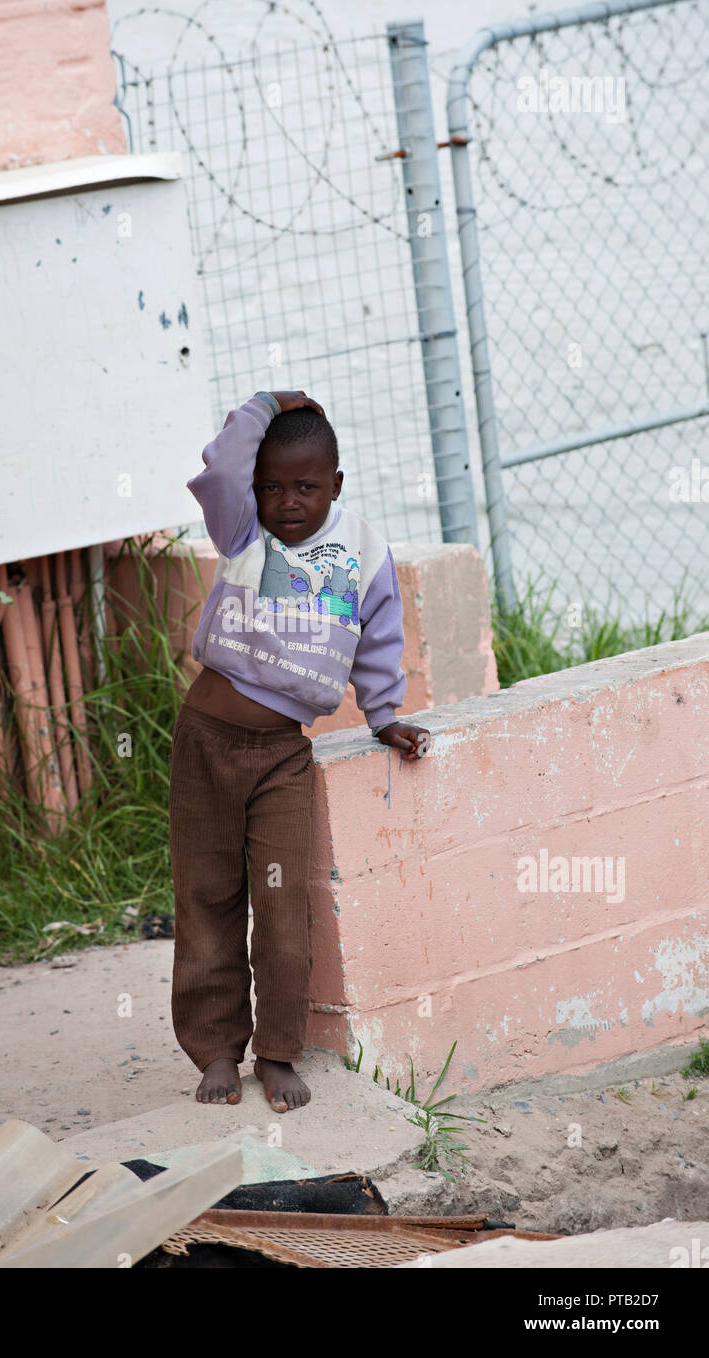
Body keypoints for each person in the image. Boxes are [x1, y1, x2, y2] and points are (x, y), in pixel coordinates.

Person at [169, 390, 431, 1112]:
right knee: (206, 899)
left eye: (306, 486)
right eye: (272, 486)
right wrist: (268, 403)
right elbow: (221, 468)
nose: (288, 502)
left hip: (282, 756)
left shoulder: (364, 550)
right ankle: (216, 1050)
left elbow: (380, 635)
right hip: (204, 742)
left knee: (282, 905)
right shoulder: (243, 529)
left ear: (336, 484)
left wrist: (383, 716)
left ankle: (277, 1053)